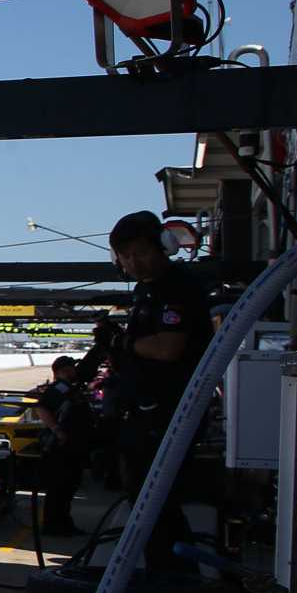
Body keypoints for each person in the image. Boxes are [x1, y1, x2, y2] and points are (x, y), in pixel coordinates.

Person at [98, 210, 212, 571]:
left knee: (157, 504)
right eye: (126, 256)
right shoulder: (147, 291)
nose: (134, 262)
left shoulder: (176, 287)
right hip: (146, 414)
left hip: (167, 414)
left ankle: (173, 581)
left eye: (141, 252)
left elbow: (168, 348)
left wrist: (123, 342)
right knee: (148, 506)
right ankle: (168, 577)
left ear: (164, 246)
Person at [31, 356, 96, 536]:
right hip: (61, 448)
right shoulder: (59, 388)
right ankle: (54, 525)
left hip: (73, 446)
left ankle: (64, 523)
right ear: (64, 370)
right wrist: (57, 430)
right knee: (59, 487)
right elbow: (42, 408)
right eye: (72, 367)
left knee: (68, 487)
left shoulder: (70, 388)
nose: (75, 370)